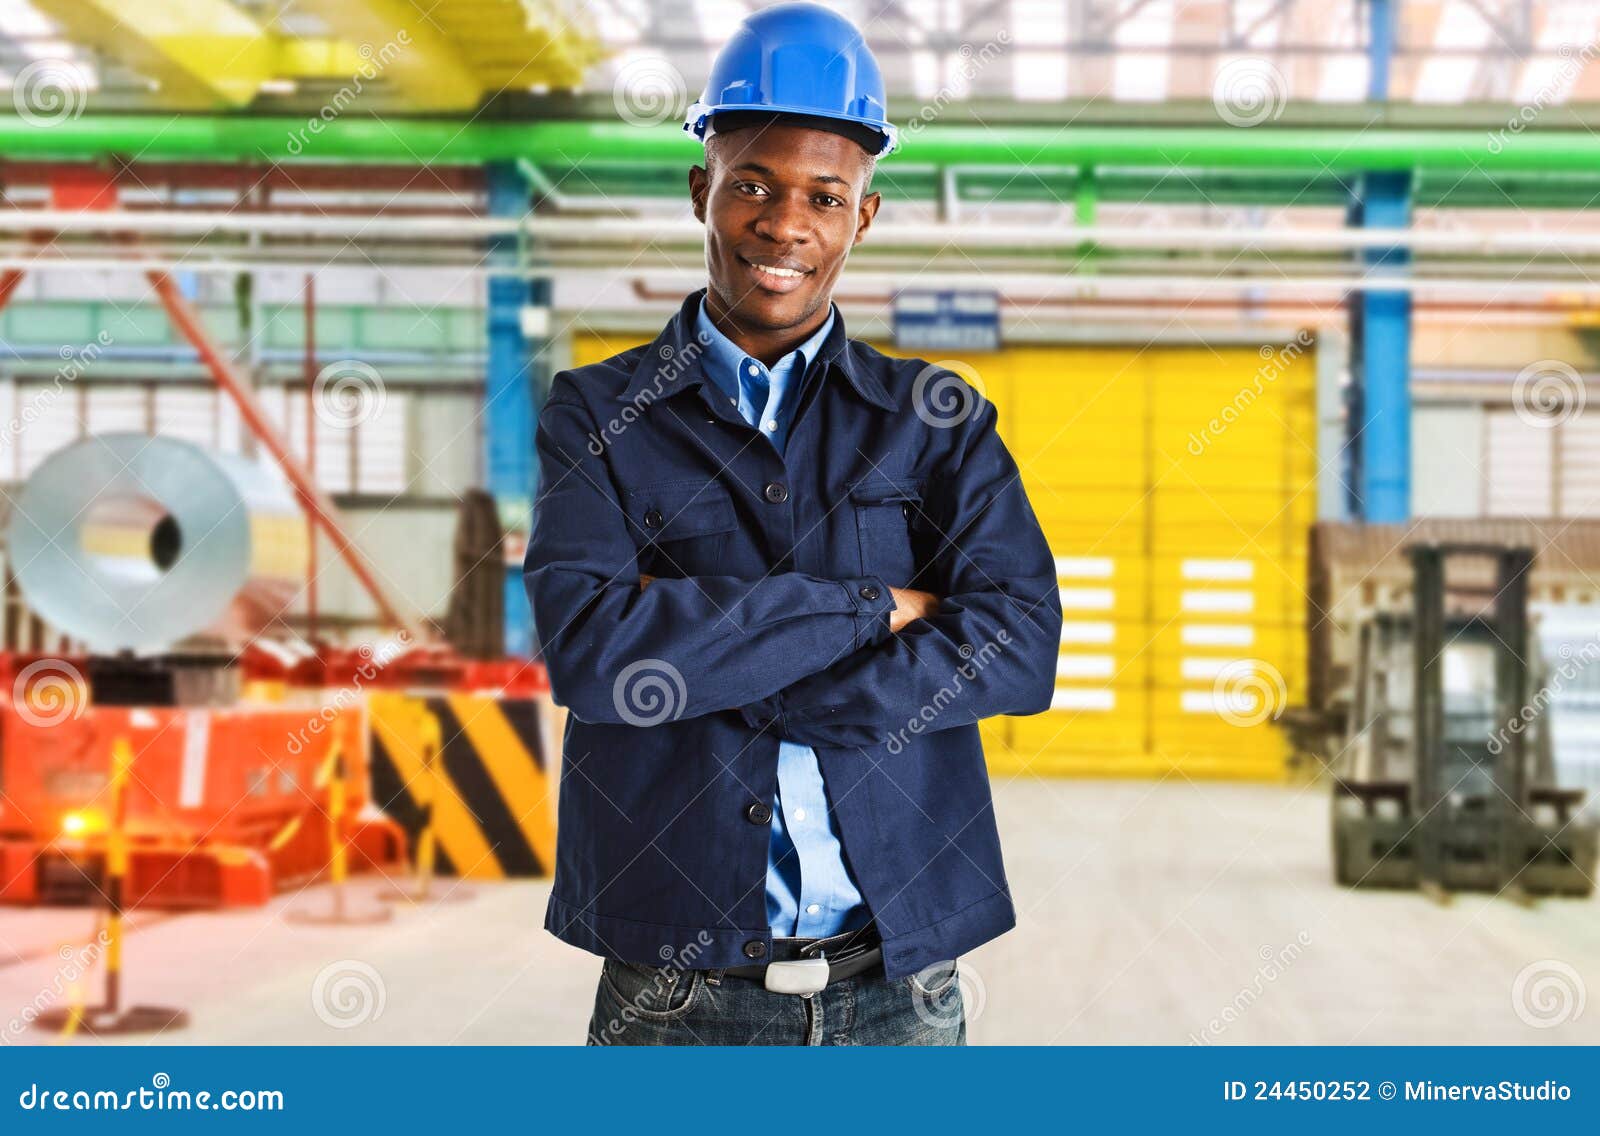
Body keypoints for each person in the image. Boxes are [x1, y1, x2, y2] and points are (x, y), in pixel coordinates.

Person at [524, 1, 1061, 1045]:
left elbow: (1020, 643)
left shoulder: (933, 419)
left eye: (824, 194)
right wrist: (878, 606)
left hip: (896, 986)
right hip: (672, 993)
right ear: (702, 192)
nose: (784, 225)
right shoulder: (596, 417)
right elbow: (592, 655)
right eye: (752, 186)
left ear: (863, 216)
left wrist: (729, 659)